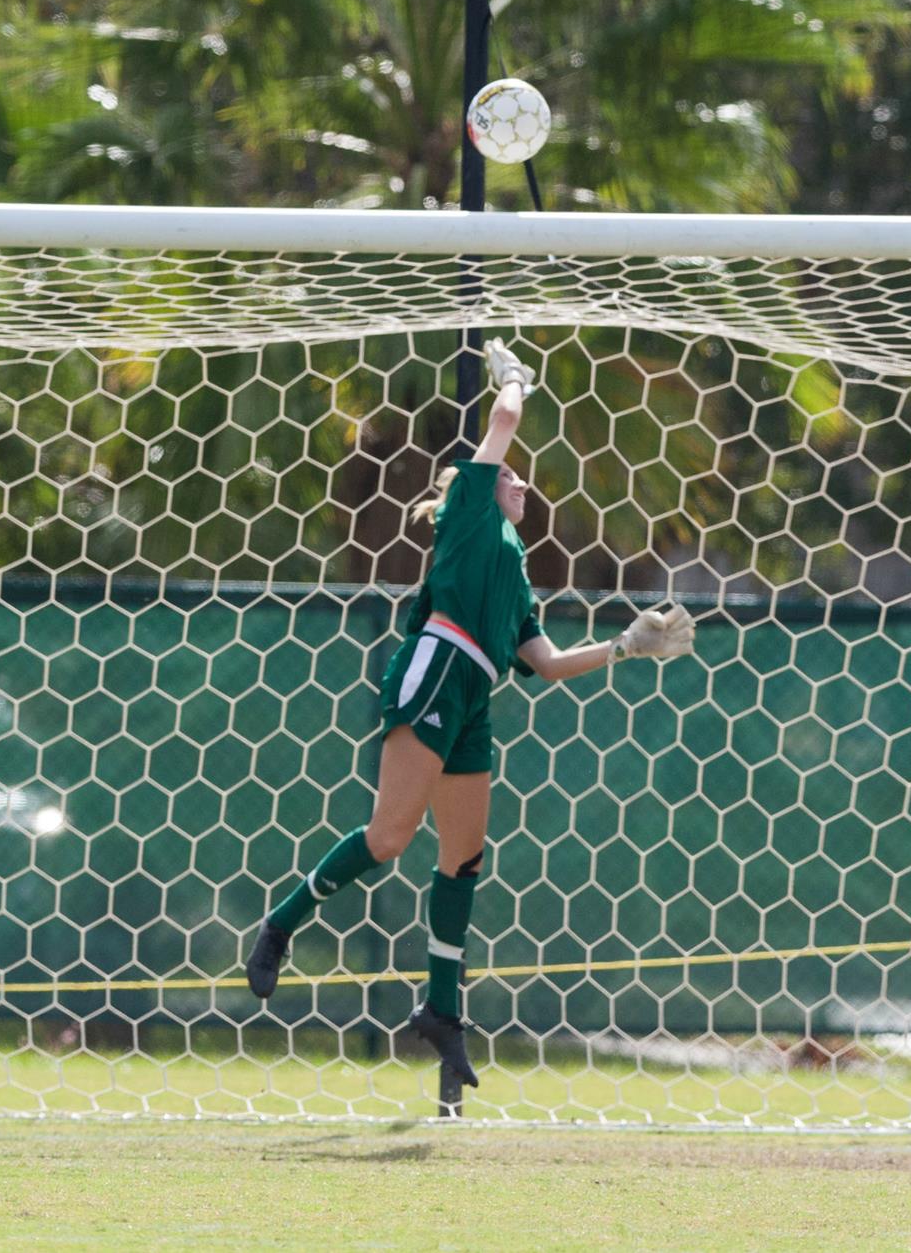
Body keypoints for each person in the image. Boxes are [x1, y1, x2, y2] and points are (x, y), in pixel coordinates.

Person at [244, 340, 696, 1091]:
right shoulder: (468, 515)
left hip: (475, 695)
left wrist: (626, 646)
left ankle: (442, 1012)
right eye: (509, 475)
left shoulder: (514, 564)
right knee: (390, 838)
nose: (518, 482)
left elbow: (546, 662)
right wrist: (513, 373)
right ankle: (282, 924)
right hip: (435, 670)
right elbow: (507, 417)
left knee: (464, 855)